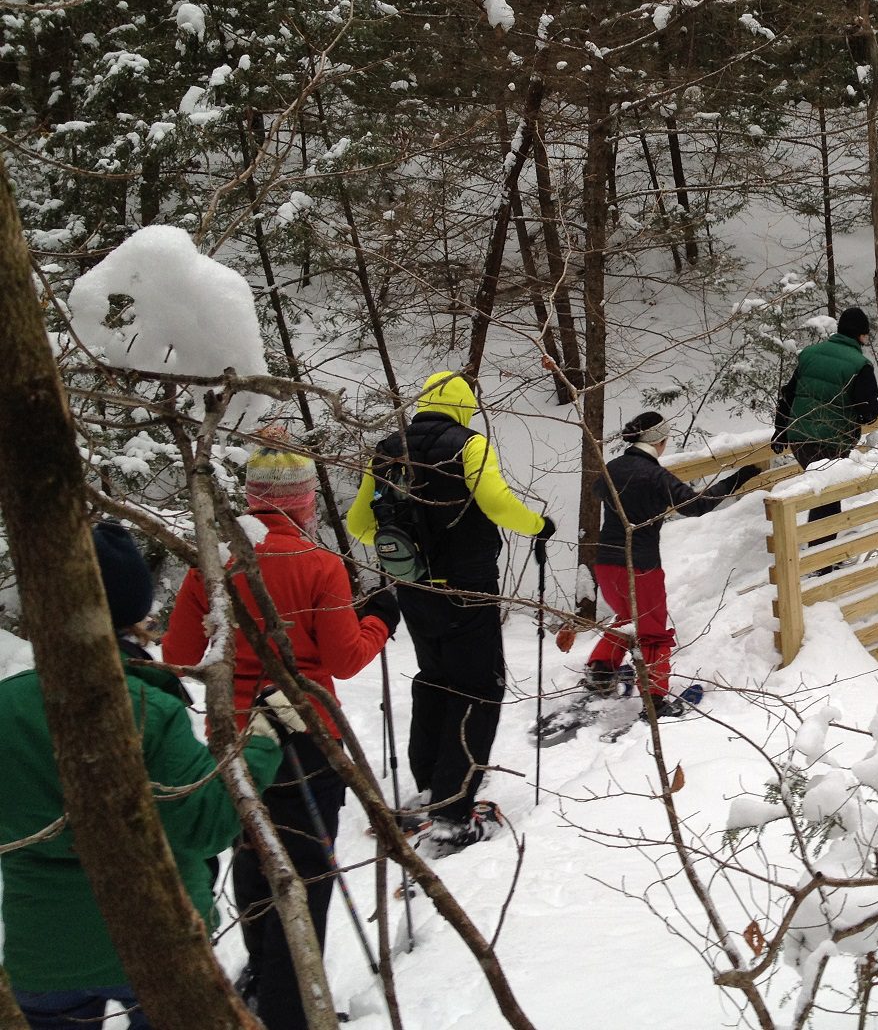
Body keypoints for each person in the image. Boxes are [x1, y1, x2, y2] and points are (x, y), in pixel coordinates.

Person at [1, 522, 283, 1030]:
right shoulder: (147, 706)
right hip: (159, 944)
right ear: (132, 608)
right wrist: (261, 745)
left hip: (42, 953)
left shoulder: (6, 708)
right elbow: (204, 823)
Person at [168, 428, 396, 1029]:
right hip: (308, 738)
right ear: (303, 503)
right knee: (306, 871)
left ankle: (265, 973)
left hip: (235, 737)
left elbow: (178, 653)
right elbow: (344, 658)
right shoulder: (319, 564)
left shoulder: (212, 563)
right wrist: (380, 622)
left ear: (249, 499)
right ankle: (291, 1009)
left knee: (253, 853)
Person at [346, 371, 550, 852]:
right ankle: (453, 810)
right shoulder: (468, 444)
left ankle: (432, 783)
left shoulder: (387, 449)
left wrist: (408, 554)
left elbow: (359, 523)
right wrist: (539, 524)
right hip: (467, 590)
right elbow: (498, 505)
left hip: (414, 588)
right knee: (479, 688)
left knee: (435, 677)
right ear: (463, 407)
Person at [588, 412, 759, 711]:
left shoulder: (612, 468)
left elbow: (597, 489)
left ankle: (600, 672)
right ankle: (654, 700)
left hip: (604, 563)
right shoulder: (654, 475)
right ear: (660, 442)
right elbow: (697, 505)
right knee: (652, 632)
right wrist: (738, 479)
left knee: (628, 620)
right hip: (640, 566)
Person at [772, 307, 878, 543]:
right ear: (861, 335)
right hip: (831, 442)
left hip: (799, 438)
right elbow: (869, 413)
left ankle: (821, 557)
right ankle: (820, 564)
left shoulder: (810, 354)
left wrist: (780, 431)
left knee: (826, 494)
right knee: (828, 498)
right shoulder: (860, 365)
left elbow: (788, 395)